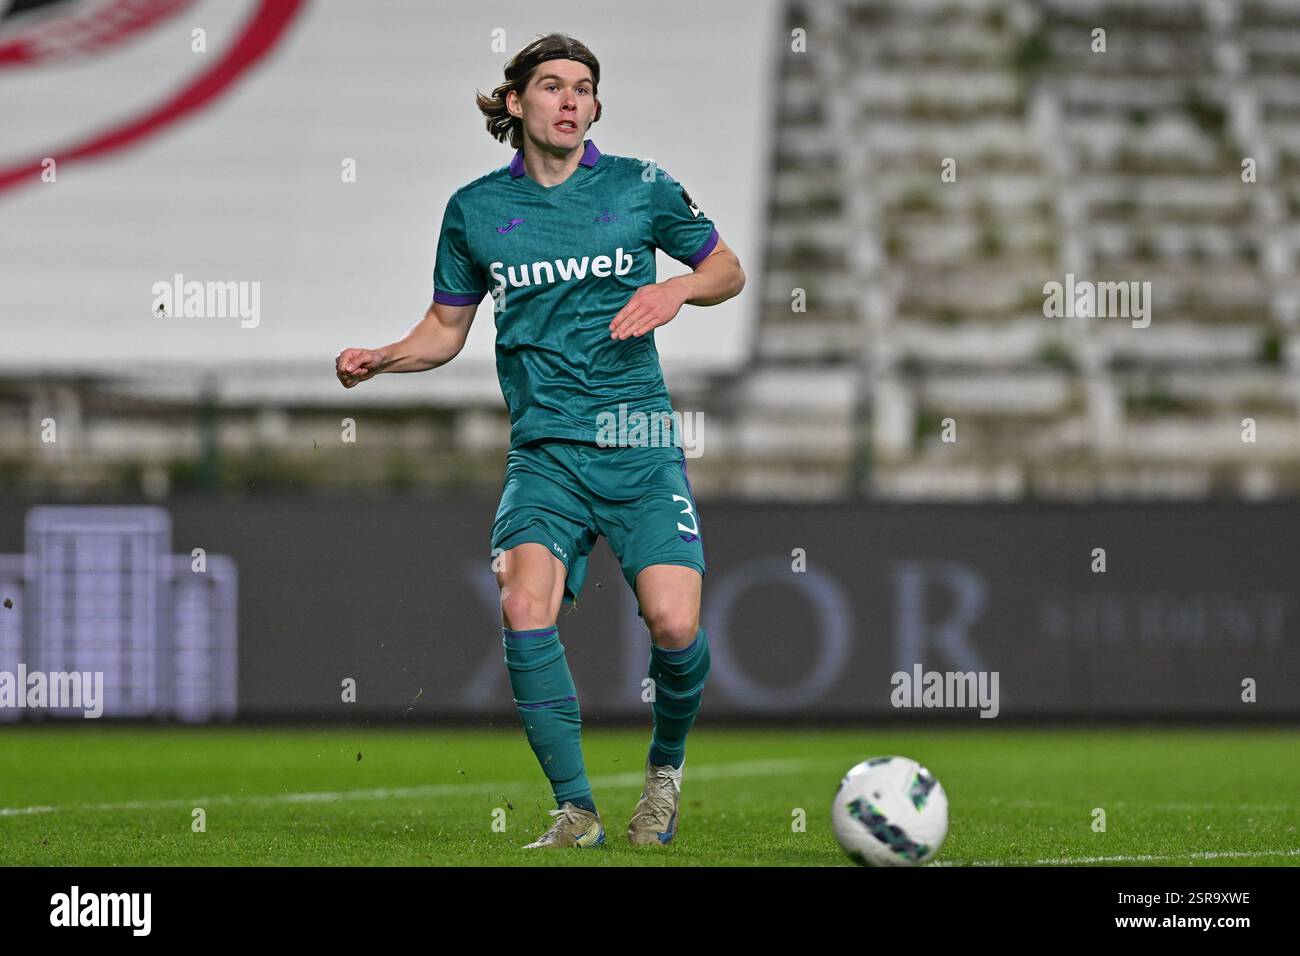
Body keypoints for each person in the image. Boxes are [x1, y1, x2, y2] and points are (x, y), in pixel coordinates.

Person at [334, 32, 745, 849]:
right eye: (552, 86)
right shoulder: (476, 210)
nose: (570, 101)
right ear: (515, 101)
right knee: (524, 605)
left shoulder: (640, 187)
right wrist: (384, 357)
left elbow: (728, 268)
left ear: (595, 106)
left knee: (672, 624)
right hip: (546, 450)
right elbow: (446, 330)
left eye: (584, 88)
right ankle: (577, 810)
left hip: (636, 439)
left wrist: (678, 288)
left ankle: (663, 778)